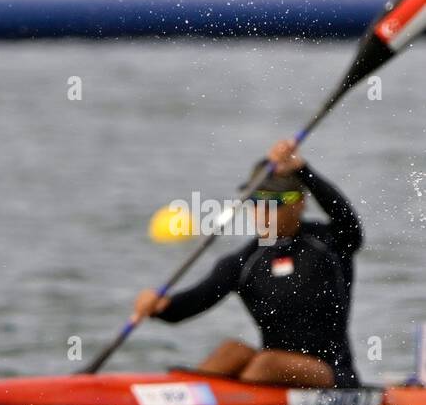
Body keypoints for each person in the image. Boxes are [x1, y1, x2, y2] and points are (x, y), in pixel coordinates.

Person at [133, 138, 363, 387]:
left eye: (273, 202)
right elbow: (191, 304)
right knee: (231, 351)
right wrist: (159, 306)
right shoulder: (245, 261)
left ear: (299, 202)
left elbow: (347, 220)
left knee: (267, 363)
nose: (262, 211)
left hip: (332, 374)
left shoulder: (329, 243)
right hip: (268, 374)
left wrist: (302, 170)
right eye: (255, 200)